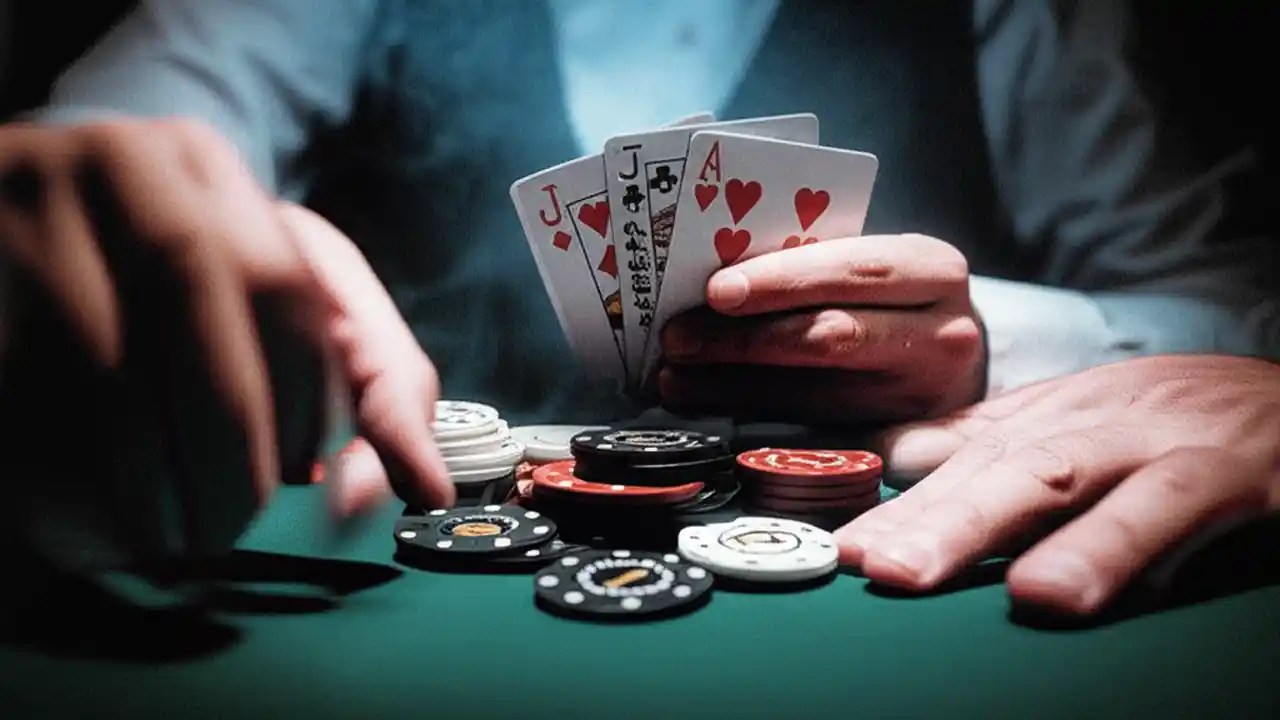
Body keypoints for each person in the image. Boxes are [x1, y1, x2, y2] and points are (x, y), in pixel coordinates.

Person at [0, 1, 1275, 613]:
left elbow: (1234, 312)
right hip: (418, 543)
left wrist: (998, 343)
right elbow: (111, 146)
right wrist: (87, 204)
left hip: (856, 561)